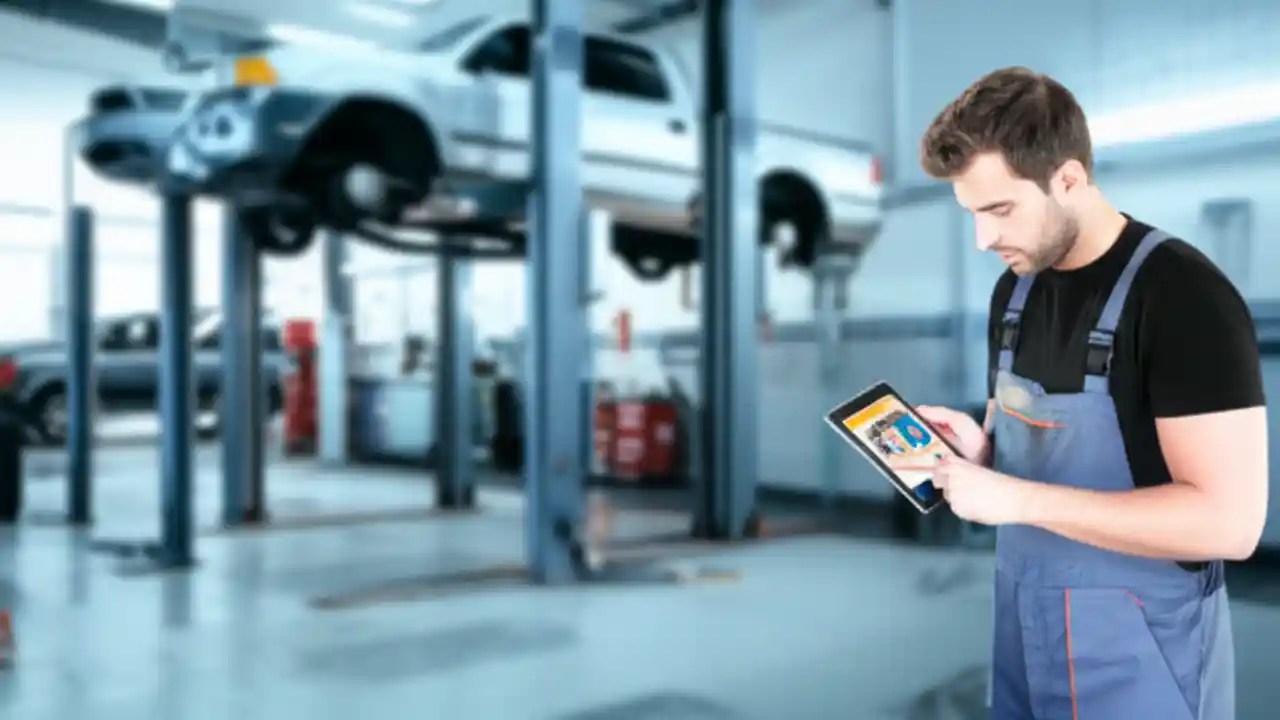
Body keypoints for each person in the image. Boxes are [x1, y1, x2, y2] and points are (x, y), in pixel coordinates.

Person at [913, 66, 1267, 719]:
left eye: (998, 210)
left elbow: (1230, 524)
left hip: (1141, 654)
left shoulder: (1184, 296)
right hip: (1024, 628)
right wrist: (978, 455)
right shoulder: (1013, 293)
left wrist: (1016, 497)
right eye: (971, 213)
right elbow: (1016, 453)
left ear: (1069, 179)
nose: (983, 239)